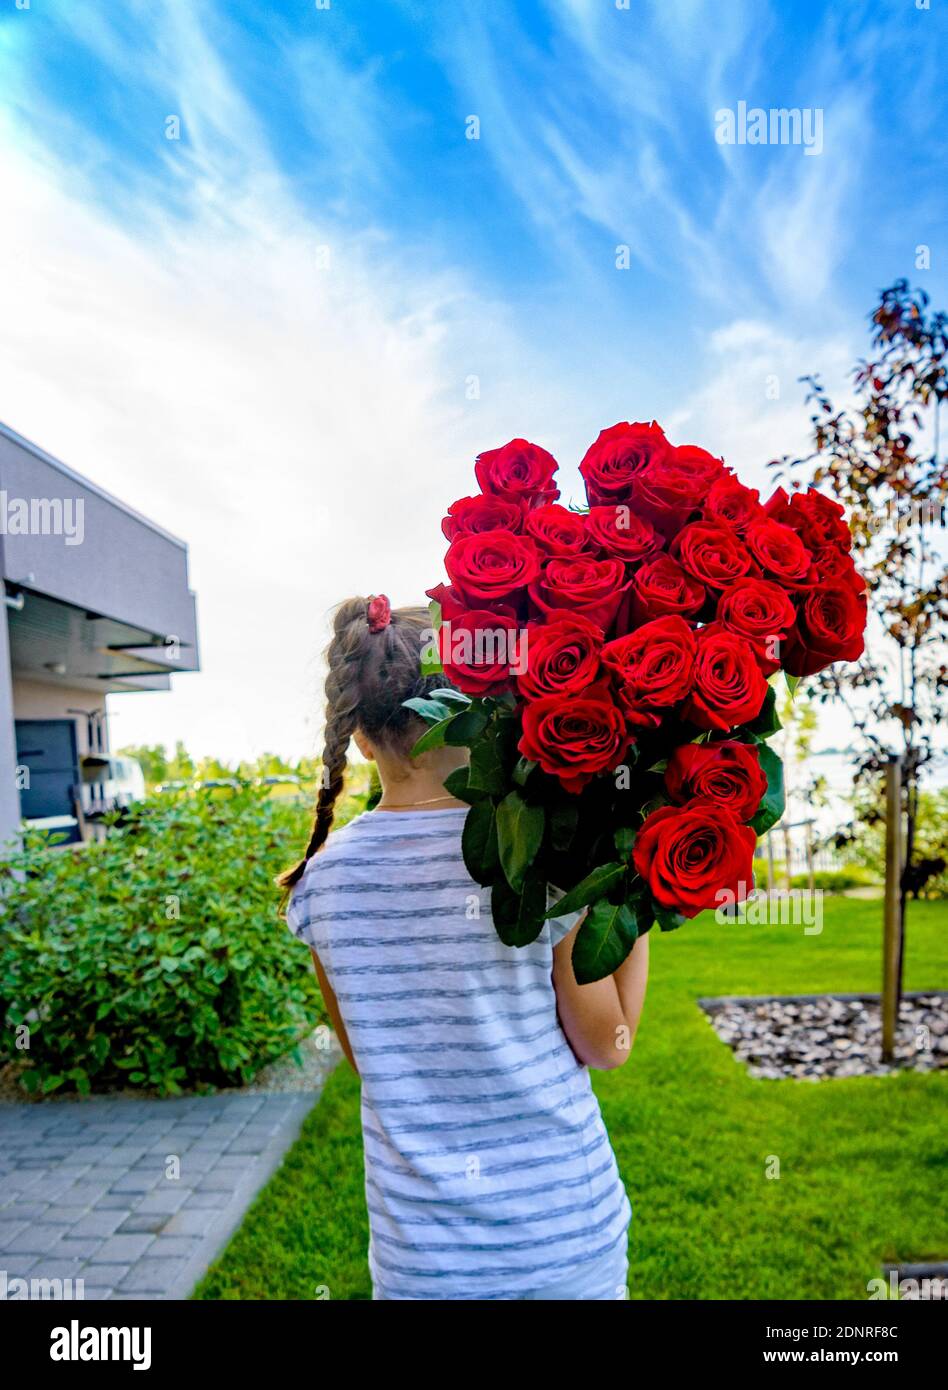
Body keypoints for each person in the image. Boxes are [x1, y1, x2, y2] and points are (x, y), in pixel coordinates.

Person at [280, 595, 649, 1300]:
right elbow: (611, 1044)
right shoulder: (530, 856)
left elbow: (369, 1061)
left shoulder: (319, 886)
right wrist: (629, 899)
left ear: (357, 734)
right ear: (479, 704)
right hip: (564, 1238)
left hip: (423, 1261)